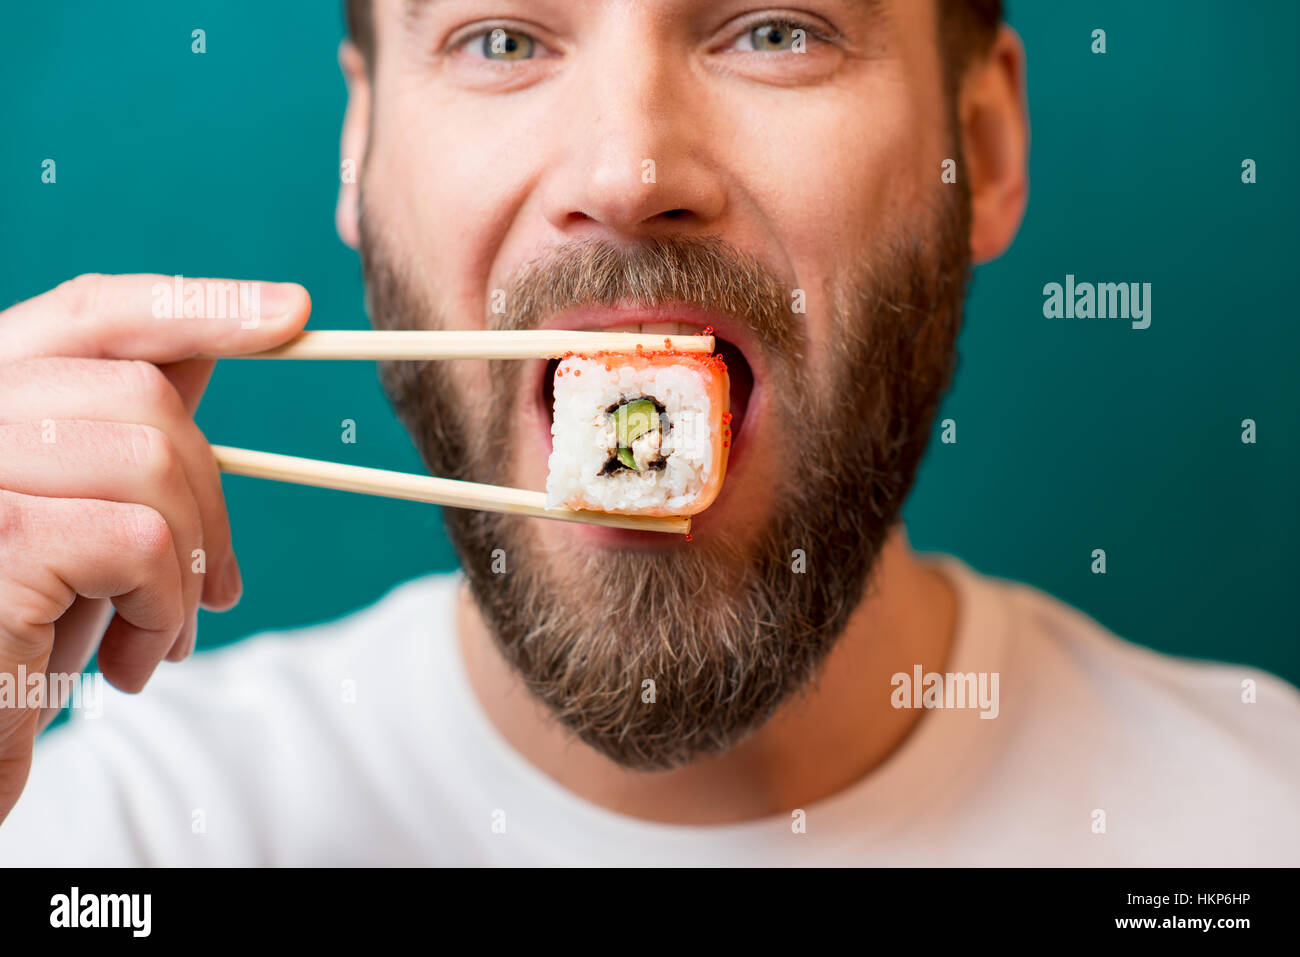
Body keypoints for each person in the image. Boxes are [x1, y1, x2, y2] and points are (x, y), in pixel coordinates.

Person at [0, 0, 1296, 866]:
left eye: (776, 28)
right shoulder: (120, 837)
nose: (627, 175)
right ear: (360, 148)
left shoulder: (1255, 826)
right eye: (502, 37)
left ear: (983, 145)